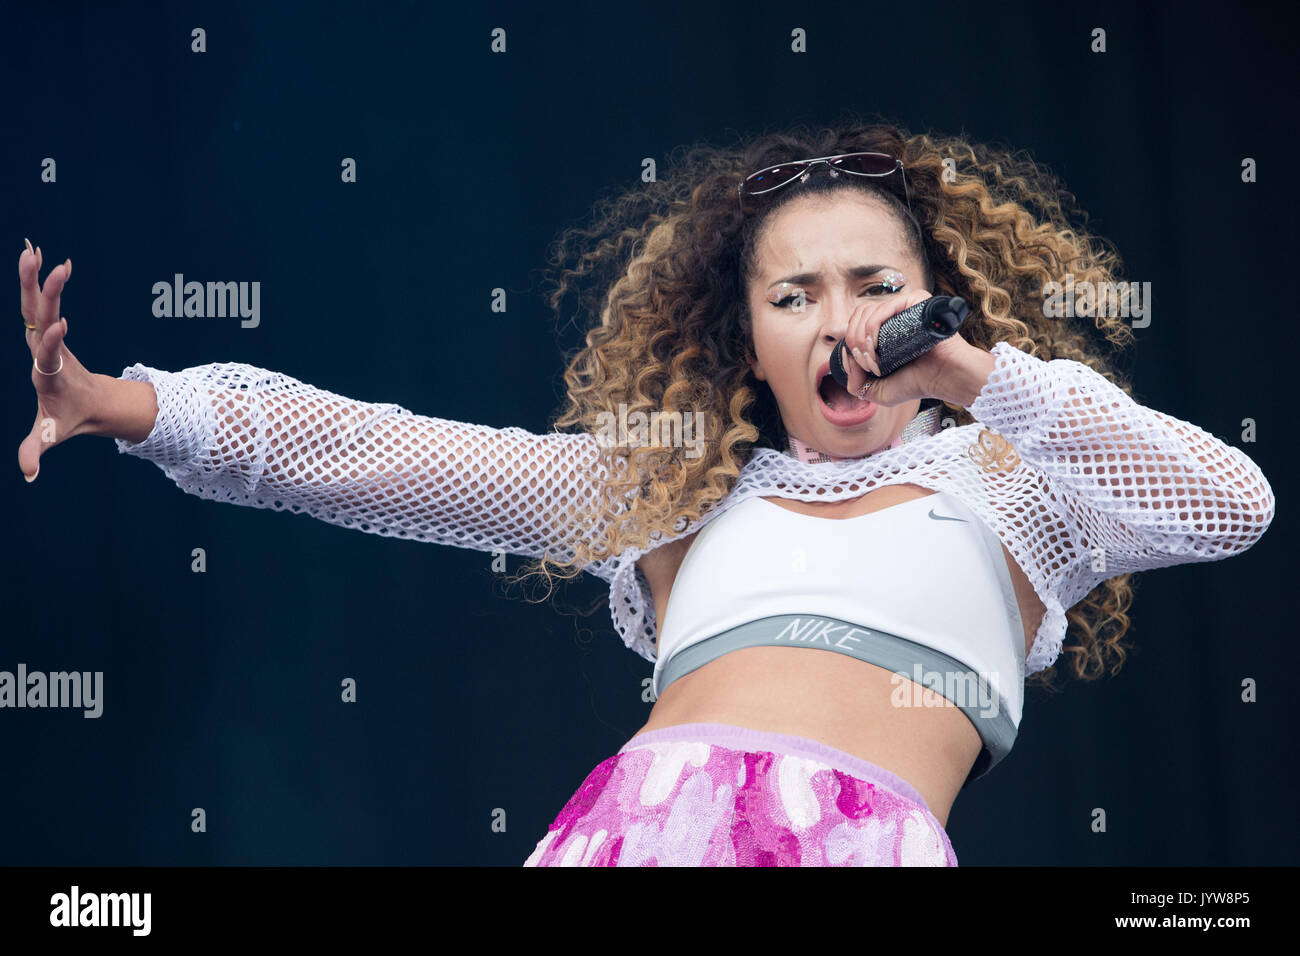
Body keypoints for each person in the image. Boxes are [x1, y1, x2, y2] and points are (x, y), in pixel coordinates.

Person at [17, 118, 1276, 867]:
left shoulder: (1016, 487)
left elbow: (1230, 502)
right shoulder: (671, 500)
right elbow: (371, 451)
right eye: (794, 296)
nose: (841, 320)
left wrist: (988, 379)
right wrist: (120, 396)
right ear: (743, 339)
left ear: (939, 300)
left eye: (875, 284)